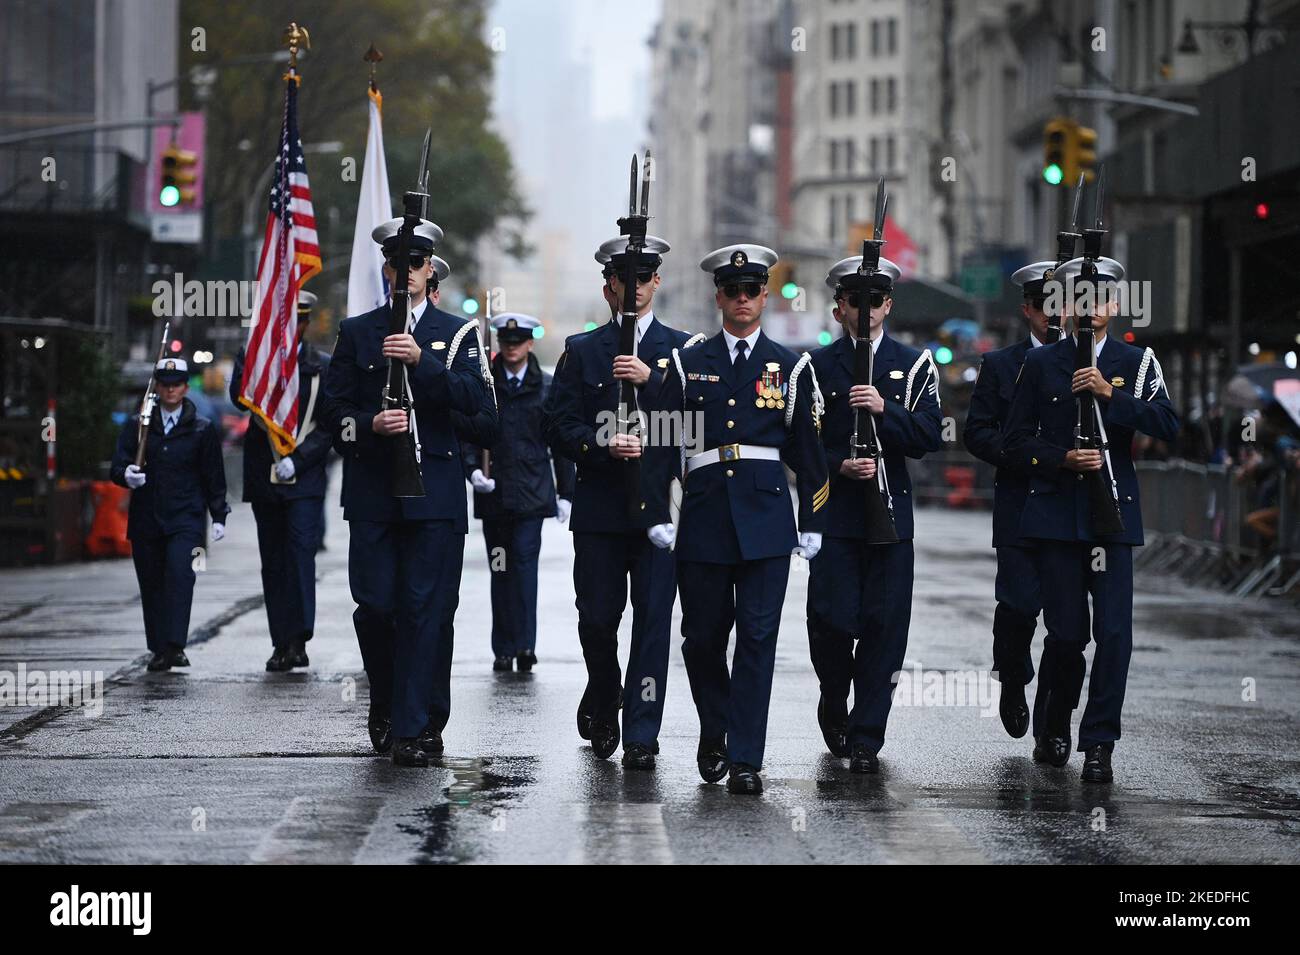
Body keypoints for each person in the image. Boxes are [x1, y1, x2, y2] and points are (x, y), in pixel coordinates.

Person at [642, 244, 829, 794]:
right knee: (701, 639)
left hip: (767, 519)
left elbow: (808, 449)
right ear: (717, 296)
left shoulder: (792, 365)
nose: (742, 299)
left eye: (752, 290)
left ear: (764, 297)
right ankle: (715, 728)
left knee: (758, 638)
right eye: (733, 290)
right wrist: (657, 511)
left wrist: (812, 517)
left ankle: (746, 757)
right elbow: (661, 445)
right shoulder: (686, 362)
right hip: (703, 517)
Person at [1002, 255, 1179, 783]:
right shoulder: (1041, 364)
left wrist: (1111, 394)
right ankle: (1054, 718)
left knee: (1115, 633)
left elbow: (1169, 424)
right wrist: (1059, 459)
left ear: (1114, 305)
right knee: (1066, 635)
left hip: (1111, 517)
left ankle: (1099, 742)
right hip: (1056, 517)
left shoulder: (1138, 361)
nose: (1088, 309)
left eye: (1097, 299)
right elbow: (1013, 441)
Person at [323, 217, 492, 767]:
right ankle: (390, 700)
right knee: (375, 607)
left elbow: (485, 416)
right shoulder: (357, 332)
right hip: (373, 492)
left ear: (428, 270)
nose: (406, 272)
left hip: (434, 492)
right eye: (396, 263)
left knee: (426, 610)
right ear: (386, 269)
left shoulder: (459, 334)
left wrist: (426, 365)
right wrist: (369, 424)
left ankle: (416, 724)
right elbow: (331, 417)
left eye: (416, 263)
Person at [542, 236, 695, 770]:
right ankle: (605, 691)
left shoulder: (684, 351)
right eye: (622, 280)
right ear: (608, 287)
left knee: (654, 622)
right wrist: (599, 444)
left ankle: (642, 730)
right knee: (596, 619)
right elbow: (557, 425)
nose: (632, 289)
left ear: (657, 283)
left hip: (659, 509)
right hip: (602, 507)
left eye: (643, 279)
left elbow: (698, 426)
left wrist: (653, 382)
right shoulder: (583, 350)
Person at [805, 255, 943, 773]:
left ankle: (867, 735)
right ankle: (833, 696)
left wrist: (888, 410)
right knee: (832, 620)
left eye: (874, 301)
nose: (865, 311)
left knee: (886, 629)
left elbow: (930, 435)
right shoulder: (816, 367)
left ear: (888, 304)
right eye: (854, 302)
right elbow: (801, 443)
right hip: (837, 514)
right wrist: (838, 465)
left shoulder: (915, 364)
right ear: (839, 308)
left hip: (889, 515)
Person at [962, 260, 1058, 739]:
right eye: (1045, 305)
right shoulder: (1001, 364)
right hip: (1021, 498)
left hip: (1071, 504)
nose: (1054, 314)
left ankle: (1054, 720)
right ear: (1027, 310)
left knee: (1067, 625)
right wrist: (1023, 456)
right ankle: (1013, 678)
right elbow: (976, 432)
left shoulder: (1088, 360)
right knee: (1019, 605)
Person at [462, 311, 575, 672]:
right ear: (498, 344)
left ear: (530, 344)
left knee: (524, 569)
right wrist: (472, 471)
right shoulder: (484, 385)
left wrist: (565, 492)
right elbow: (468, 432)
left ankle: (525, 645)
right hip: (494, 495)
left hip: (531, 495)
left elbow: (559, 442)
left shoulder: (545, 387)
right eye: (506, 342)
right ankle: (503, 648)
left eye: (518, 342)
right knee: (501, 569)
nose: (512, 348)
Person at [230, 290, 332, 672]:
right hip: (264, 478)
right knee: (272, 561)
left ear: (305, 323)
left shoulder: (321, 366)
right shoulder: (254, 360)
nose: (292, 328)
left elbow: (329, 426)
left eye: (298, 321)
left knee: (300, 556)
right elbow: (238, 398)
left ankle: (300, 638)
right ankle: (280, 641)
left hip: (302, 481)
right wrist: (256, 355)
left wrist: (299, 459)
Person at [111, 356, 230, 672]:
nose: (171, 390)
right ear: (158, 387)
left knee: (180, 576)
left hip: (186, 518)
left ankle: (175, 645)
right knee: (151, 583)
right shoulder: (139, 426)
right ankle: (159, 647)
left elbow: (213, 476)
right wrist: (127, 475)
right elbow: (117, 465)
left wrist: (219, 515)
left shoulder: (201, 429)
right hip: (147, 517)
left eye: (177, 384)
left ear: (184, 388)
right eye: (165, 384)